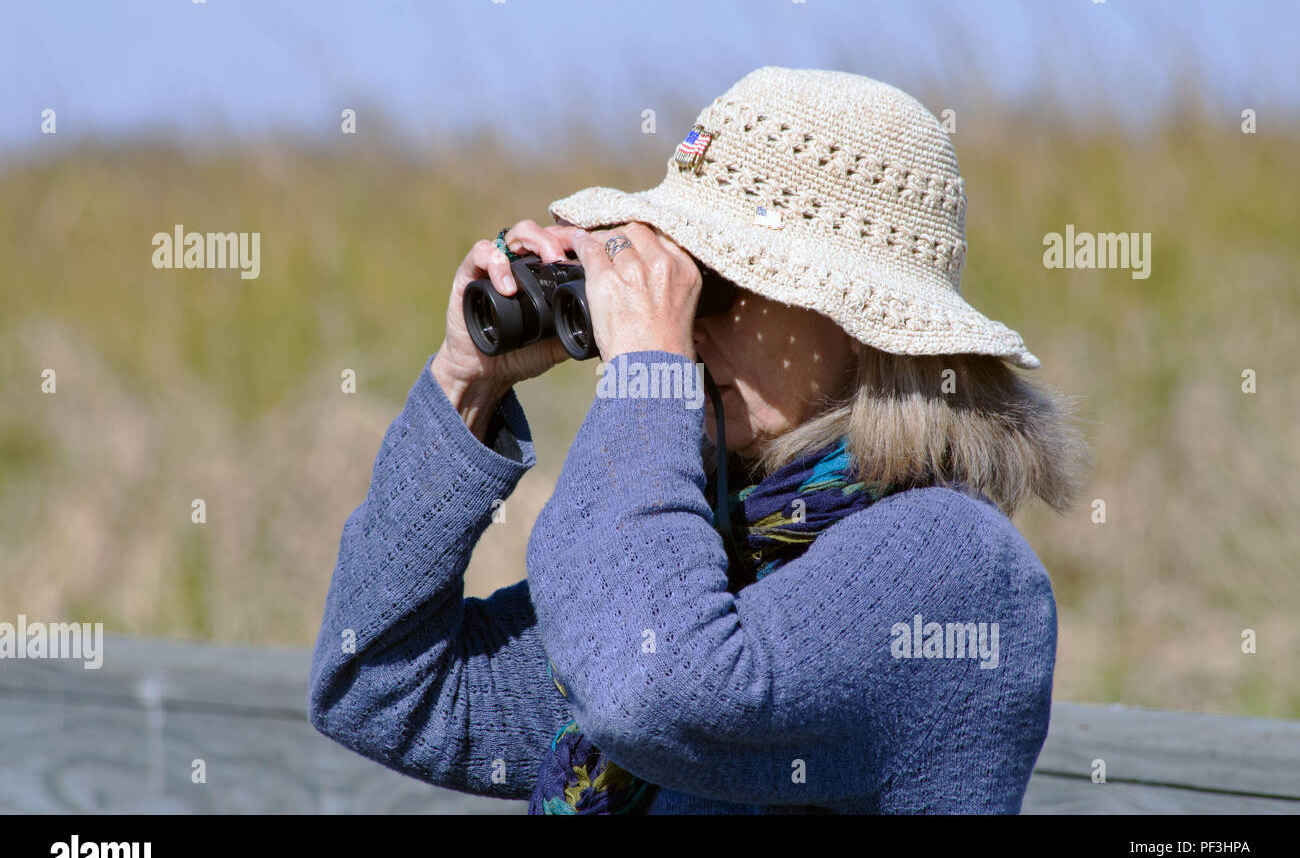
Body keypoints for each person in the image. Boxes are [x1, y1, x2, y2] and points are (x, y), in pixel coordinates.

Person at [308, 66, 1089, 814]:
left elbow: (654, 694)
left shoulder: (957, 568)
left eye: (722, 282)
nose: (688, 320)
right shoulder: (731, 539)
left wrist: (646, 380)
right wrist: (465, 384)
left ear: (864, 325)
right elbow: (380, 686)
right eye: (681, 274)